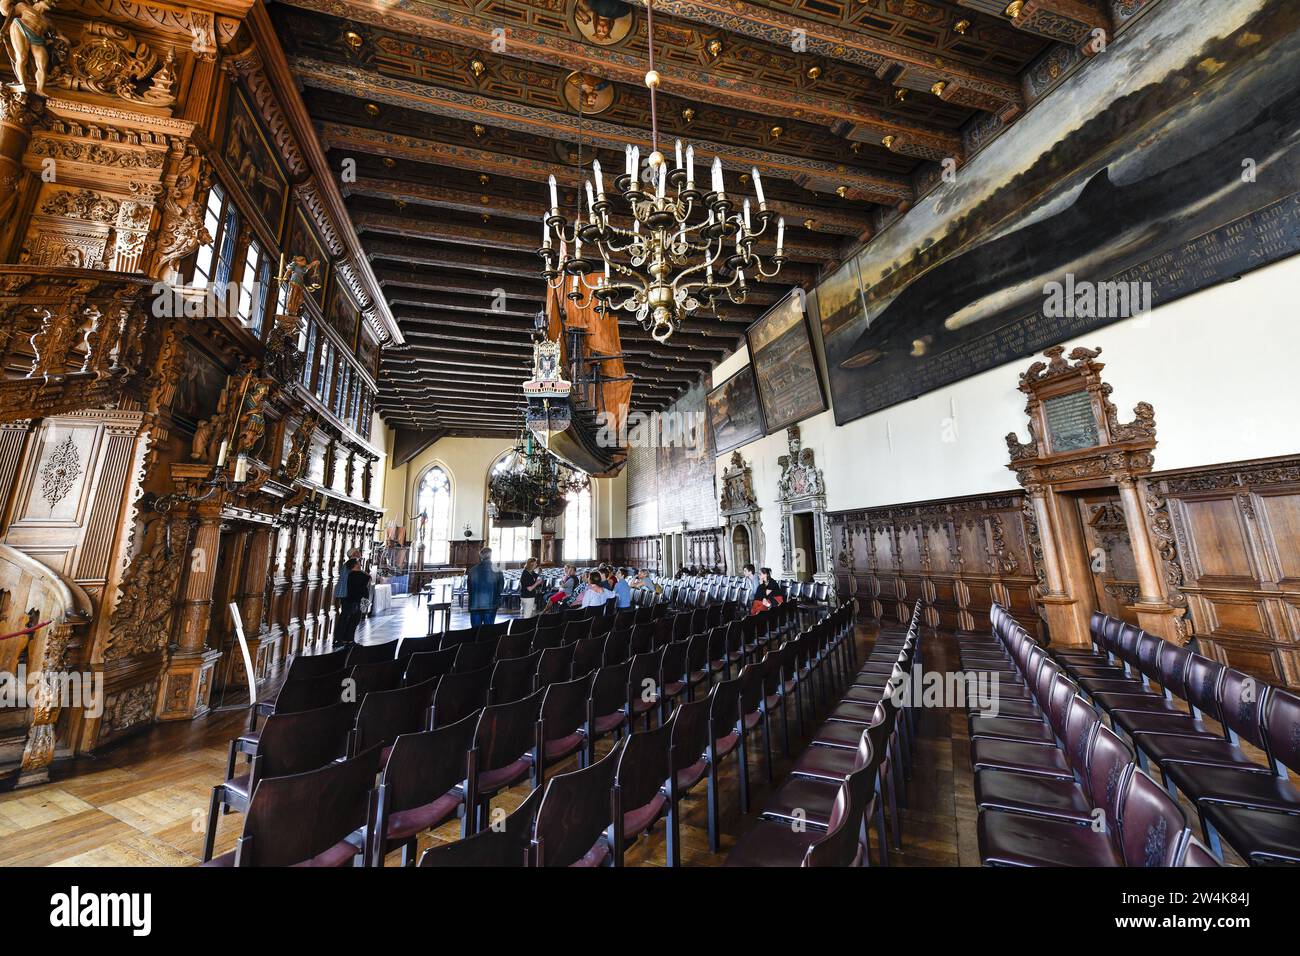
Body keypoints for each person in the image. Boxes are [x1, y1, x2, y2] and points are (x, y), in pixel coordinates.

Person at [336, 558, 371, 646]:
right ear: (355, 565)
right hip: (357, 600)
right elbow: (368, 578)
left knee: (349, 619)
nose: (360, 564)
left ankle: (345, 639)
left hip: (353, 599)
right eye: (358, 563)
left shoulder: (349, 574)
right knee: (354, 620)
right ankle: (349, 639)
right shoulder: (357, 574)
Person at [466, 547, 504, 627]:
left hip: (475, 604)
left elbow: (469, 589)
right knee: (488, 633)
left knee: (475, 633)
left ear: (480, 556)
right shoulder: (497, 569)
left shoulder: (472, 570)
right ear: (491, 556)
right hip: (491, 604)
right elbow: (500, 589)